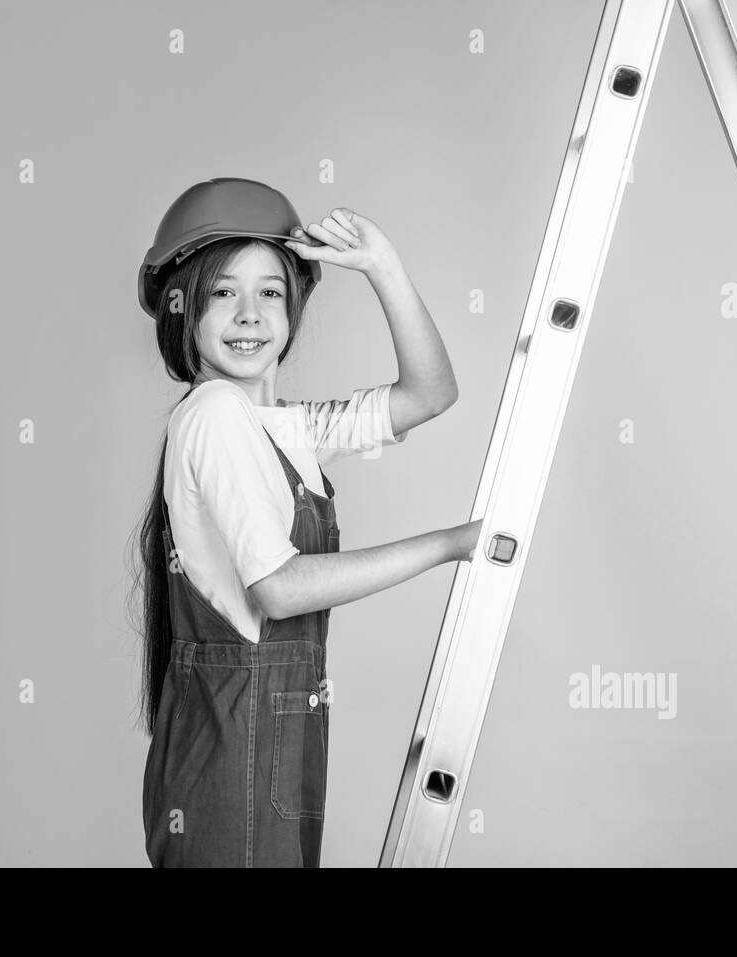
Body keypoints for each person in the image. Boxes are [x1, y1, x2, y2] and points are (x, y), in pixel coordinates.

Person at [129, 176, 481, 867]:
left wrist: (383, 266)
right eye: (224, 292)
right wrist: (449, 545)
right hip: (235, 757)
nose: (251, 315)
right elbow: (282, 588)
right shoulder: (214, 414)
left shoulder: (284, 428)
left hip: (269, 744)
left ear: (293, 310)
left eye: (271, 292)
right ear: (184, 310)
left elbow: (429, 392)